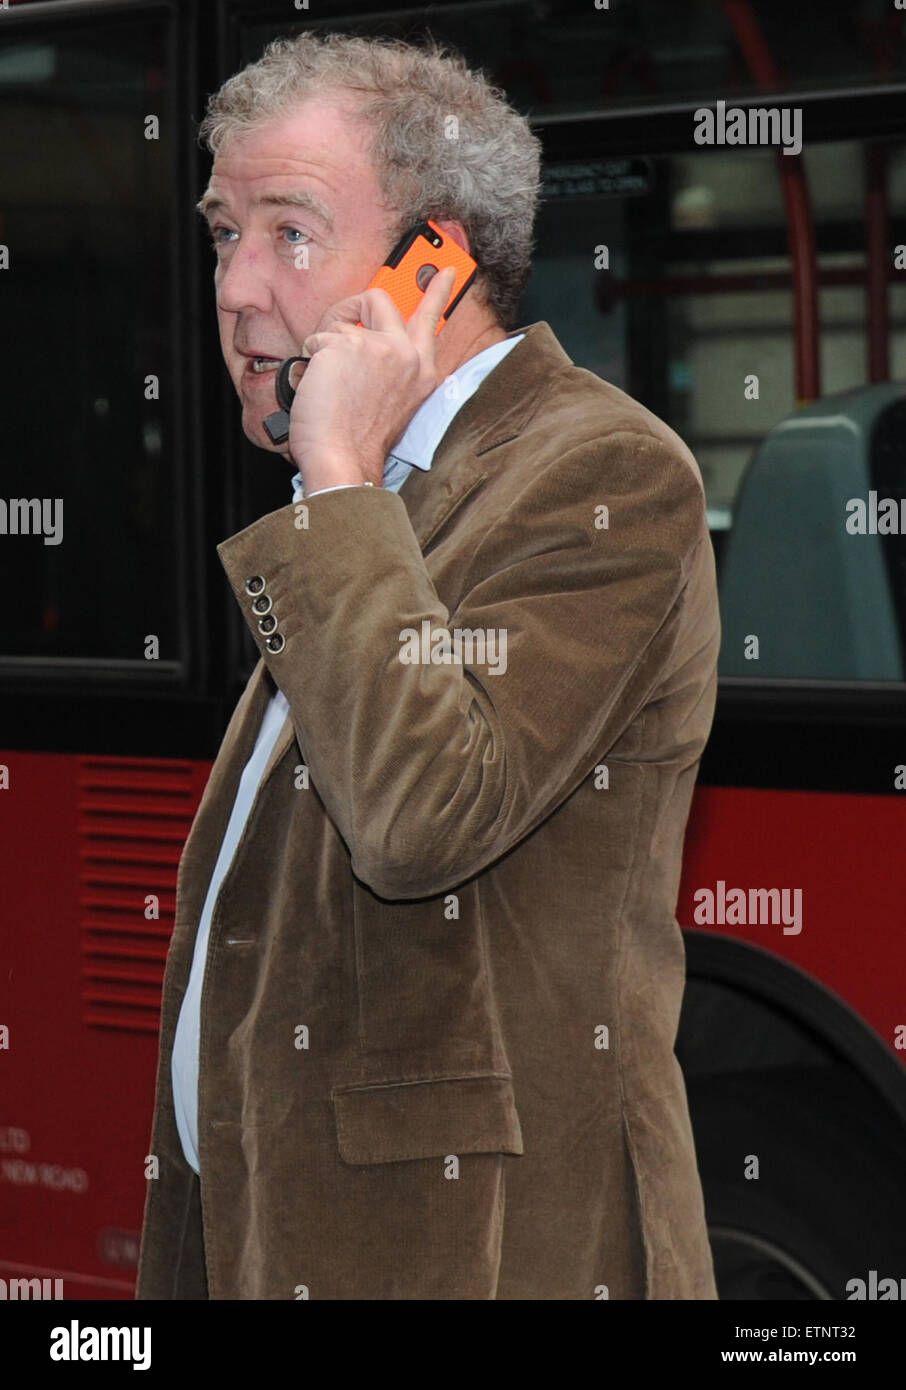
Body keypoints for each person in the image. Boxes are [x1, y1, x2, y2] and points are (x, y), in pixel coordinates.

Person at [136, 30, 720, 1301]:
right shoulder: (382, 494)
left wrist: (336, 477)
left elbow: (417, 818)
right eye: (222, 231)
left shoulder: (597, 476)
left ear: (432, 266)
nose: (235, 288)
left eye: (287, 233)